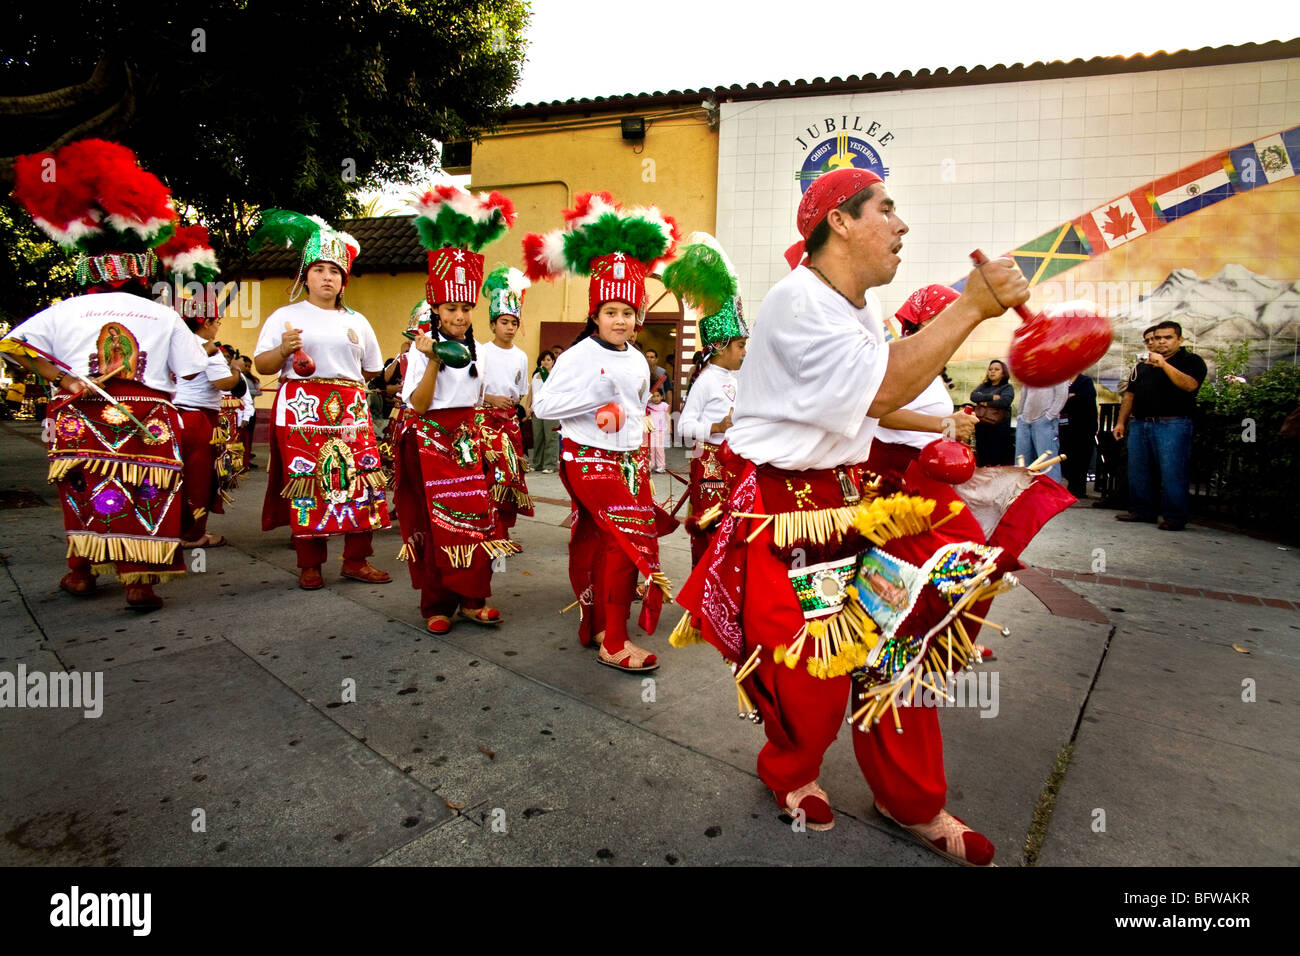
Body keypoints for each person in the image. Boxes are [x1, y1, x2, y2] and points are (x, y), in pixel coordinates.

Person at [673, 168, 1031, 865]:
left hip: (850, 504)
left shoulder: (854, 307)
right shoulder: (797, 303)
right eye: (887, 210)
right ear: (839, 220)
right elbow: (884, 383)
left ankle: (913, 801)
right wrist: (973, 305)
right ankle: (791, 768)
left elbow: (871, 397)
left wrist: (931, 419)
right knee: (814, 673)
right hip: (786, 513)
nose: (901, 226)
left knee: (898, 650)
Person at [1, 139, 209, 610]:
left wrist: (62, 379)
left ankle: (81, 573)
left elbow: (11, 345)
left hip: (78, 415)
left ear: (87, 268)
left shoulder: (66, 309)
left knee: (82, 489)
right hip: (147, 418)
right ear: (141, 270)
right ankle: (138, 581)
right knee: (146, 491)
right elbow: (193, 369)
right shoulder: (164, 314)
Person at [526, 190, 681, 672]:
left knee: (598, 540)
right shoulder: (576, 357)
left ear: (638, 318)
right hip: (587, 460)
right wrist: (593, 397)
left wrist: (635, 436)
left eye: (628, 313)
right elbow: (544, 405)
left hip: (626, 459)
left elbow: (629, 409)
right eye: (611, 312)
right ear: (595, 315)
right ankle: (614, 639)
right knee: (624, 540)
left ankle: (592, 623)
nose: (620, 320)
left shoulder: (636, 358)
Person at [393, 184, 519, 633]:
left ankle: (472, 598)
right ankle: (436, 605)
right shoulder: (419, 351)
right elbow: (420, 405)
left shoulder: (480, 352)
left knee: (476, 519)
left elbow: (478, 397)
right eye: (451, 307)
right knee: (433, 521)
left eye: (466, 307)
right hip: (428, 440)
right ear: (436, 308)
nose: (460, 316)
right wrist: (429, 360)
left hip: (468, 440)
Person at [250, 210, 392, 590]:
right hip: (301, 406)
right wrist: (283, 349)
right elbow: (262, 366)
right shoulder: (285, 315)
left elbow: (373, 369)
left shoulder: (358, 321)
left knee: (362, 478)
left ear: (344, 279)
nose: (327, 277)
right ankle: (309, 564)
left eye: (334, 271)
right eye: (319, 270)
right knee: (307, 482)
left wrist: (347, 383)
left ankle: (356, 560)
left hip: (351, 407)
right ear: (305, 275)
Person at [663, 232, 750, 566]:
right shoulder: (705, 380)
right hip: (710, 466)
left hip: (734, 464)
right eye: (740, 346)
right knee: (710, 532)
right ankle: (702, 600)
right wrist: (719, 424)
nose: (744, 352)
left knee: (733, 534)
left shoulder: (733, 378)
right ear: (721, 347)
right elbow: (683, 426)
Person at [159, 224, 245, 549]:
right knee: (198, 479)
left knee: (174, 478)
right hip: (198, 421)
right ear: (207, 322)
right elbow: (222, 382)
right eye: (217, 321)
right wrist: (237, 374)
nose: (219, 326)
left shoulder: (177, 341)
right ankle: (194, 536)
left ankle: (173, 529)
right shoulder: (207, 348)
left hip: (174, 416)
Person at [1112, 321, 1207, 531]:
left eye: (1168, 337)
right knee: (1139, 469)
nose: (1161, 341)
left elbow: (1190, 385)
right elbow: (1130, 395)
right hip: (1141, 423)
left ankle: (1174, 516)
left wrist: (1164, 365)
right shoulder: (1143, 366)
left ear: (1180, 340)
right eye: (1157, 338)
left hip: (1173, 423)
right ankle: (1142, 510)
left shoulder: (1191, 360)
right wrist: (1121, 422)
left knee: (1172, 470)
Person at [477, 266, 535, 530]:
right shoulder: (481, 351)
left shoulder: (521, 356)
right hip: (483, 420)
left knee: (511, 475)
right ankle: (488, 529)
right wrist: (491, 398)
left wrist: (513, 406)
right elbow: (469, 388)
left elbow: (520, 390)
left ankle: (503, 530)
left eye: (514, 323)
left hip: (509, 422)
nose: (510, 328)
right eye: (504, 322)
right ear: (492, 324)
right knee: (489, 476)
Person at [1013, 381, 1068, 483]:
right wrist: (1020, 415)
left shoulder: (1059, 372)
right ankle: (1022, 495)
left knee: (1048, 463)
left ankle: (1051, 496)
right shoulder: (1032, 374)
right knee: (1021, 463)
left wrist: (1048, 417)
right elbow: (1024, 394)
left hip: (1045, 422)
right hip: (1025, 421)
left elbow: (1062, 396)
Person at [1059, 371, 1098, 498]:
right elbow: (1058, 400)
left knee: (1082, 457)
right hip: (1065, 426)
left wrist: (1070, 398)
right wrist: (1068, 397)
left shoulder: (1085, 381)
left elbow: (1085, 399)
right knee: (1065, 456)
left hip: (1084, 426)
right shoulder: (1061, 381)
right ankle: (1071, 484)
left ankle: (1078, 489)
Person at [970, 360, 1014, 465]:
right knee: (982, 457)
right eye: (990, 369)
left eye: (996, 369)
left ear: (1003, 373)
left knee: (996, 458)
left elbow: (1005, 401)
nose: (992, 372)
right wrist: (991, 397)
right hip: (982, 426)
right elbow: (973, 396)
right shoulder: (984, 386)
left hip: (998, 428)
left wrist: (984, 402)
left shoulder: (1007, 388)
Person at [526, 350, 559, 472]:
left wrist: (545, 374)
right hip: (537, 411)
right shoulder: (536, 375)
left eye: (548, 360)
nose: (545, 362)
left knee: (551, 437)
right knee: (538, 437)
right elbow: (531, 393)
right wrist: (527, 407)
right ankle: (537, 463)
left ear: (553, 362)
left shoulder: (555, 375)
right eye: (543, 359)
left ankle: (550, 465)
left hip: (551, 410)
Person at [646, 388, 669, 473]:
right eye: (653, 396)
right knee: (651, 448)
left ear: (662, 396)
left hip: (661, 430)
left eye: (658, 396)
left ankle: (661, 466)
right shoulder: (649, 405)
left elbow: (668, 416)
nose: (655, 398)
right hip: (652, 430)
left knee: (659, 449)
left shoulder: (664, 405)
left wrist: (670, 427)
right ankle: (651, 465)